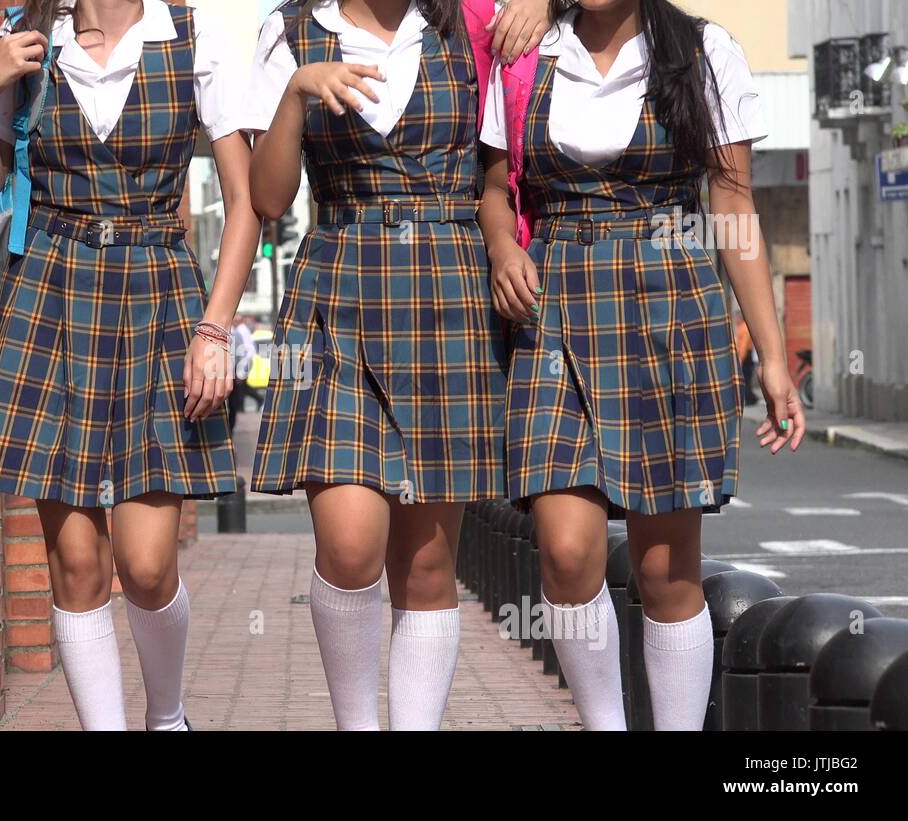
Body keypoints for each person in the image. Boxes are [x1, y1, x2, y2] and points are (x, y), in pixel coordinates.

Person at [478, 0, 806, 730]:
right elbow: (497, 190)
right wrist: (503, 248)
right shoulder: (531, 51)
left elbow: (733, 204)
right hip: (552, 305)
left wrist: (774, 357)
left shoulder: (700, 50)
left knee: (664, 571)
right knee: (565, 555)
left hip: (669, 310)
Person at [243, 0, 551, 730]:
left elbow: (495, 175)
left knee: (425, 565)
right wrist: (295, 94)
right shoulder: (288, 31)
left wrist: (542, 3)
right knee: (349, 547)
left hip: (449, 291)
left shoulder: (472, 22)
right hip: (339, 284)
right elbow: (267, 197)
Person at [0, 0, 261, 730]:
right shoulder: (29, 33)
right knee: (77, 563)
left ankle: (167, 714)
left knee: (148, 564)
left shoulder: (191, 34)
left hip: (158, 293)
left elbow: (247, 203)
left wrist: (214, 328)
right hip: (51, 298)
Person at [228, 315, 260, 431]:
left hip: (235, 369)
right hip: (234, 369)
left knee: (235, 399)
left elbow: (245, 353)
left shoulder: (240, 332)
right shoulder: (236, 331)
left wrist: (241, 372)